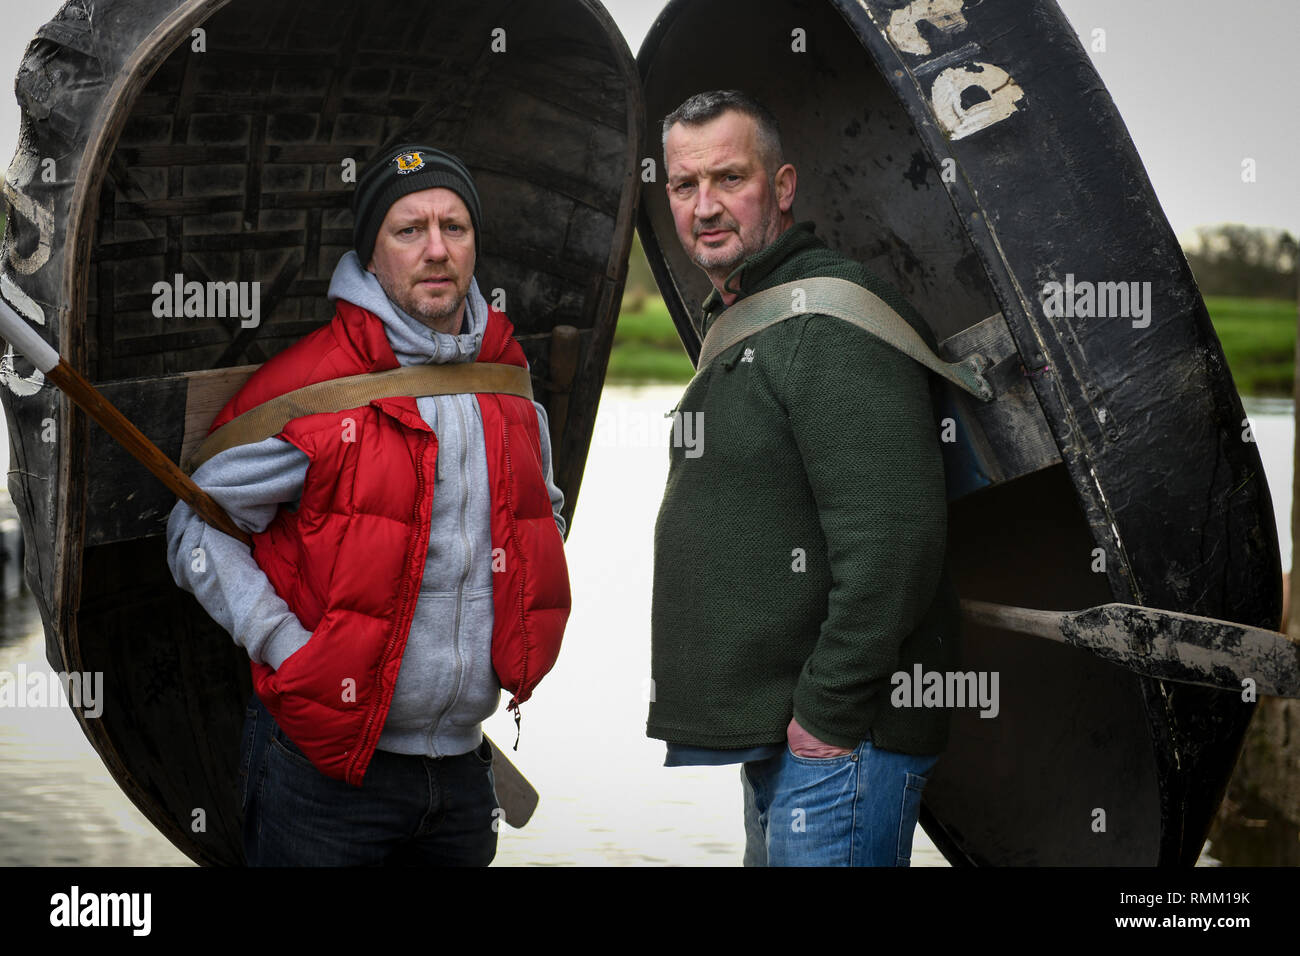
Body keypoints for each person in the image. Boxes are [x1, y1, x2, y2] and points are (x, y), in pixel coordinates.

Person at [167, 144, 571, 866]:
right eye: (408, 230)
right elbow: (195, 527)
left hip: (462, 776)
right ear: (371, 254)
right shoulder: (317, 389)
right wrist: (287, 647)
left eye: (455, 226)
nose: (437, 249)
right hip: (324, 779)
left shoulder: (507, 381)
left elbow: (544, 508)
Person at [647, 91, 961, 866]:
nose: (705, 206)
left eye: (729, 178)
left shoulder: (825, 324)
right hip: (800, 737)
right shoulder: (757, 311)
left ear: (782, 188)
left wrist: (826, 715)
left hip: (841, 743)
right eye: (685, 186)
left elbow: (896, 545)